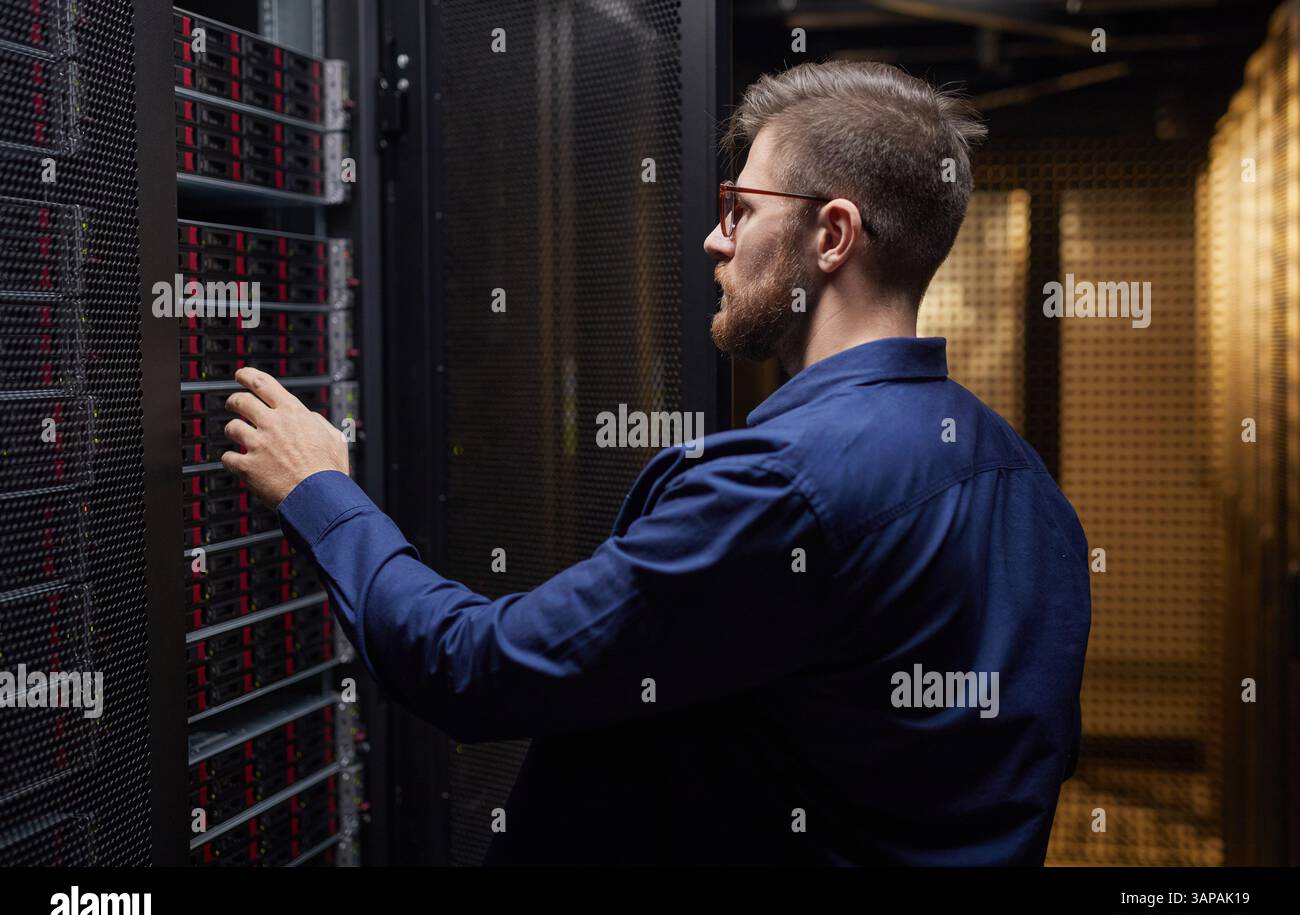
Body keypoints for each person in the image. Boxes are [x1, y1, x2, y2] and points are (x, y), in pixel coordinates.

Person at [221, 60, 1091, 865]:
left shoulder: (781, 484)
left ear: (832, 235)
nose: (717, 243)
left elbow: (473, 669)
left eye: (742, 210)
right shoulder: (1028, 488)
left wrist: (320, 489)